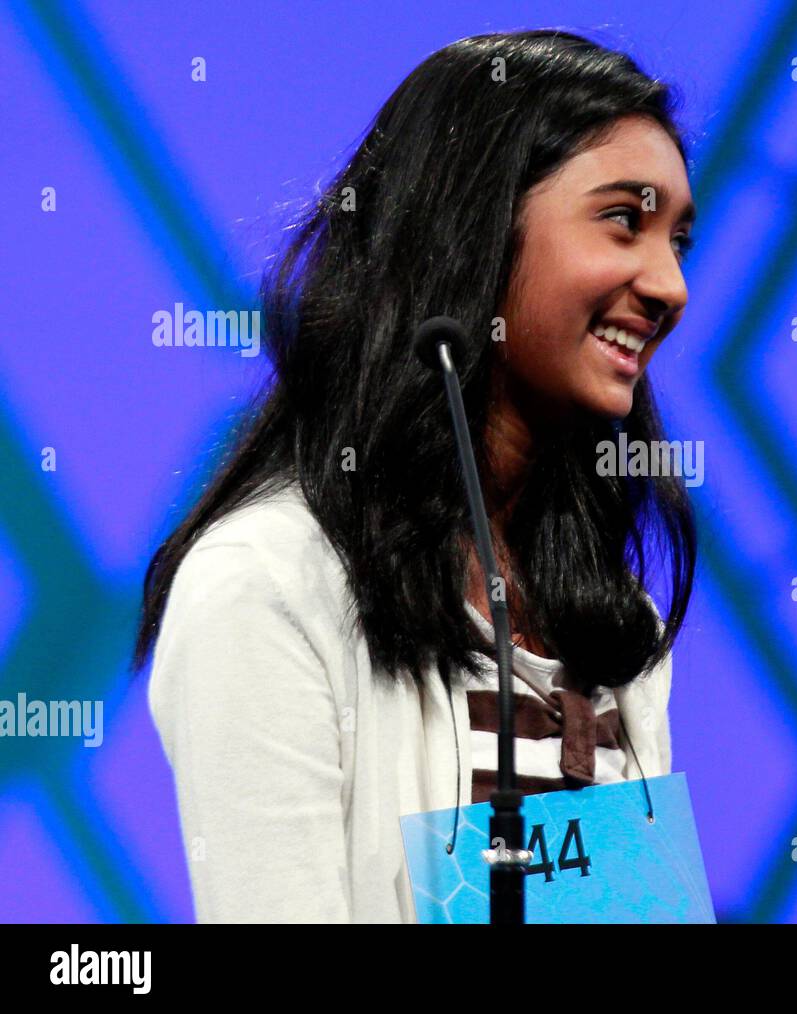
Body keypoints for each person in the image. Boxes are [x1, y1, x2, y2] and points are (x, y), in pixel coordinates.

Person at [130, 29, 698, 923]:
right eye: (625, 220)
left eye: (679, 240)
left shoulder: (607, 607)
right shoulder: (267, 586)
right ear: (473, 229)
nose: (670, 285)